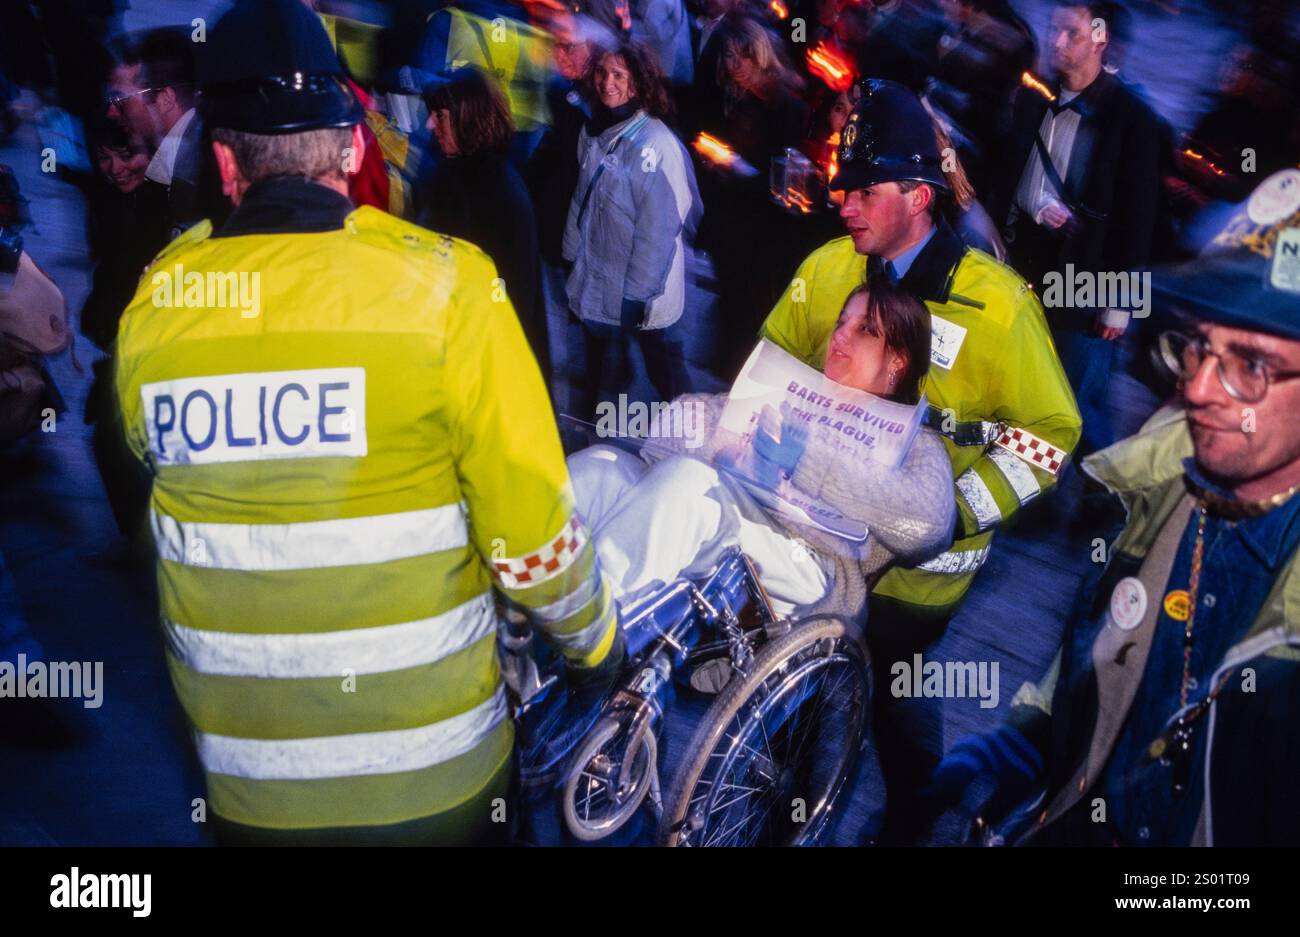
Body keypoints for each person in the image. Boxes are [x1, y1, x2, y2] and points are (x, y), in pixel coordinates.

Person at [113, 0, 620, 846]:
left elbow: (143, 484)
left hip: (254, 795)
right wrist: (598, 646)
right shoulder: (451, 291)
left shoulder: (156, 306)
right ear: (352, 150)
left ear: (227, 164)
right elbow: (531, 532)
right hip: (438, 780)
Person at [930, 171, 1300, 846]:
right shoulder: (1167, 483)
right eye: (1196, 348)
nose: (1198, 387)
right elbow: (1101, 641)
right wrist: (1032, 735)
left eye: (1249, 364)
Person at [761, 78, 1081, 842]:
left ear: (918, 195)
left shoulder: (999, 308)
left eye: (864, 191)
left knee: (889, 695)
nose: (844, 203)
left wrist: (949, 514)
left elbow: (1050, 436)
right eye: (844, 188)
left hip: (918, 575)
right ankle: (786, 815)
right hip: (812, 541)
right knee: (804, 695)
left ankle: (912, 816)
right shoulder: (829, 269)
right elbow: (770, 366)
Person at [569, 279, 954, 623]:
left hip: (812, 563)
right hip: (732, 512)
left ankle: (590, 630)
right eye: (840, 323)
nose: (839, 336)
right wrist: (731, 448)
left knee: (686, 486)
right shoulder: (791, 392)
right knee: (600, 468)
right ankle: (528, 598)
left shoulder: (918, 444)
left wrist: (807, 459)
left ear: (897, 361)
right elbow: (672, 427)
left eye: (865, 329)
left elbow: (928, 528)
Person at [986, 1, 1167, 456]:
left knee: (1074, 399)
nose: (1057, 42)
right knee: (1021, 382)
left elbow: (1139, 216)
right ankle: (1023, 473)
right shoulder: (1034, 94)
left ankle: (1097, 490)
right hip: (1024, 264)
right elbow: (1009, 168)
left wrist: (1121, 302)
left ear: (1101, 40)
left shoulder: (1135, 121)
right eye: (1055, 30)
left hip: (1085, 283)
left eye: (1072, 33)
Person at [563, 42, 701, 418]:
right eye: (603, 73)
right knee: (598, 369)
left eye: (619, 75)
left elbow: (657, 234)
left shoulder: (656, 145)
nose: (607, 82)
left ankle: (691, 434)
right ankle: (589, 441)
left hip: (643, 293)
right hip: (600, 278)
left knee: (664, 368)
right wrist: (572, 253)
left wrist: (635, 298)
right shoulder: (594, 131)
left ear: (638, 84)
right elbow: (583, 197)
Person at [423, 67, 549, 390]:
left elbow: (508, 296)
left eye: (440, 116)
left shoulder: (494, 193)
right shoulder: (459, 177)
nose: (429, 125)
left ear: (468, 118)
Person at [106, 27, 224, 238]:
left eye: (121, 101)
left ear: (166, 99)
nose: (112, 113)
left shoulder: (185, 178)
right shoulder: (203, 144)